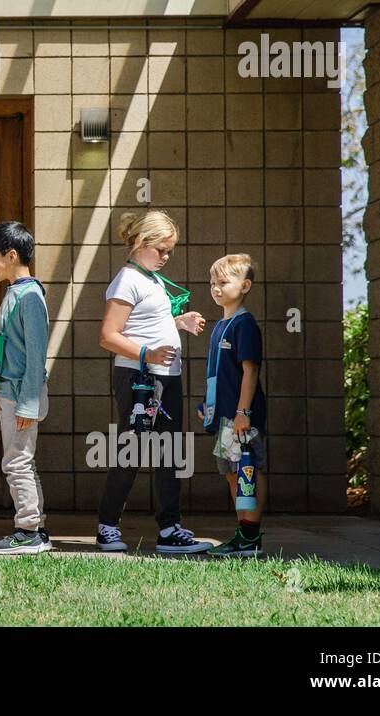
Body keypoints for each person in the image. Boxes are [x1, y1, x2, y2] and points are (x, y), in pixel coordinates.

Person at [96, 210, 210, 554]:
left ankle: (169, 528)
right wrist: (147, 355)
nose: (165, 257)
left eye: (169, 251)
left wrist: (179, 322)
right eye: (160, 249)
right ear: (140, 243)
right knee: (132, 450)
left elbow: (147, 324)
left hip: (167, 377)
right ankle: (107, 526)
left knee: (169, 452)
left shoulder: (152, 279)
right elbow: (107, 336)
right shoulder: (127, 280)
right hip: (139, 378)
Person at [0, 221, 53, 554]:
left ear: (11, 256)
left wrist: (26, 405)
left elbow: (37, 356)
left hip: (21, 394)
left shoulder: (29, 297)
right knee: (22, 460)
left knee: (17, 462)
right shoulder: (17, 293)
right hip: (12, 392)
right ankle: (35, 529)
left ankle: (28, 531)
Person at [200, 254, 268, 557]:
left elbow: (250, 371)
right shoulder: (219, 326)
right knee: (231, 474)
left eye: (224, 282)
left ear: (245, 286)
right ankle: (242, 533)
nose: (216, 288)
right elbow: (218, 375)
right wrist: (209, 406)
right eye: (213, 282)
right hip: (224, 419)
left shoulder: (245, 325)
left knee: (247, 473)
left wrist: (243, 413)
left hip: (241, 419)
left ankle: (251, 537)